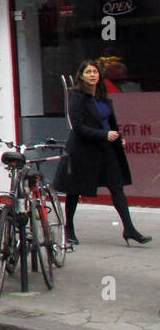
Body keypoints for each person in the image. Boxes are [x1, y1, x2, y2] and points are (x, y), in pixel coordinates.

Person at [53, 59, 150, 246]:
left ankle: (129, 229)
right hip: (82, 150)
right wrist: (105, 134)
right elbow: (78, 127)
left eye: (95, 72)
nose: (92, 75)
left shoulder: (102, 98)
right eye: (88, 72)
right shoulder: (78, 98)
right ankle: (69, 228)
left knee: (117, 187)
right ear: (81, 75)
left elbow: (108, 123)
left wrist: (117, 137)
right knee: (75, 190)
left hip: (105, 150)